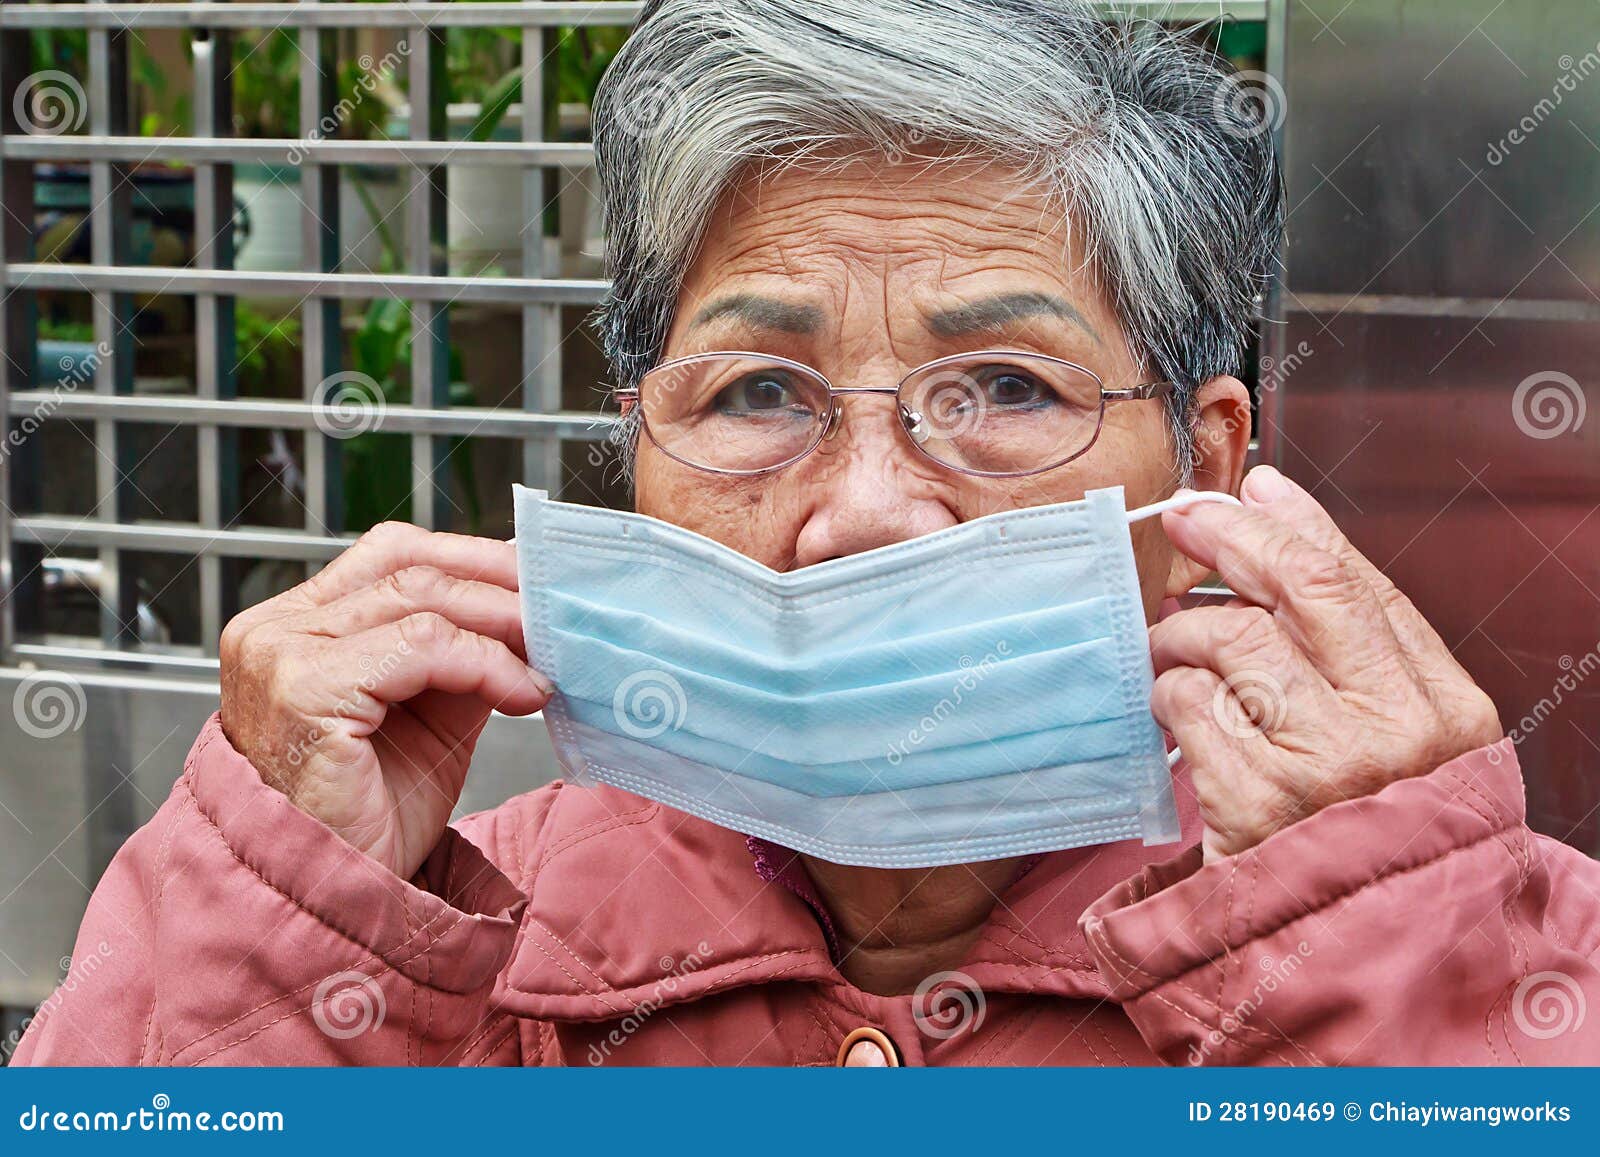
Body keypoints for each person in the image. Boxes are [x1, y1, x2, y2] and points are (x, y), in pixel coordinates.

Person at [16, 0, 1599, 1066]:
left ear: (1204, 470)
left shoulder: (1479, 944)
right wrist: (285, 919)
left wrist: (1395, 976)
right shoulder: (428, 953)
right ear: (638, 452)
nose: (865, 515)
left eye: (1004, 385)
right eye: (758, 391)